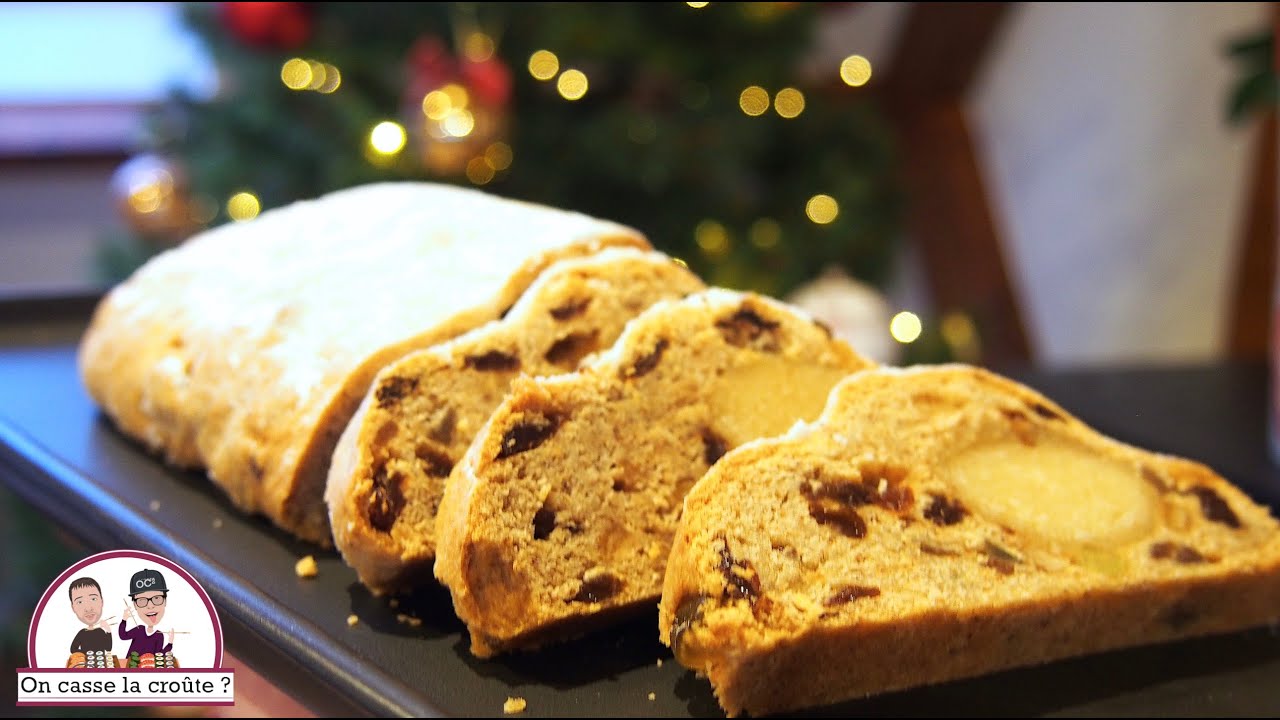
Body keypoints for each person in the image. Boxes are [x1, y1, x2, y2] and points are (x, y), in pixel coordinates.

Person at [118, 568, 174, 656]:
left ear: (165, 601)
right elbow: (123, 636)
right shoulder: (139, 629)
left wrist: (170, 643)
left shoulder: (159, 635)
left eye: (156, 598)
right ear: (135, 605)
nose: (150, 606)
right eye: (142, 600)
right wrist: (124, 620)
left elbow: (159, 655)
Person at [68, 577, 113, 654]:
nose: (88, 608)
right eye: (80, 602)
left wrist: (108, 630)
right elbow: (73, 649)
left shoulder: (100, 631)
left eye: (93, 599)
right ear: (73, 607)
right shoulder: (82, 633)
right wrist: (86, 653)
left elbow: (108, 648)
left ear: (102, 601)